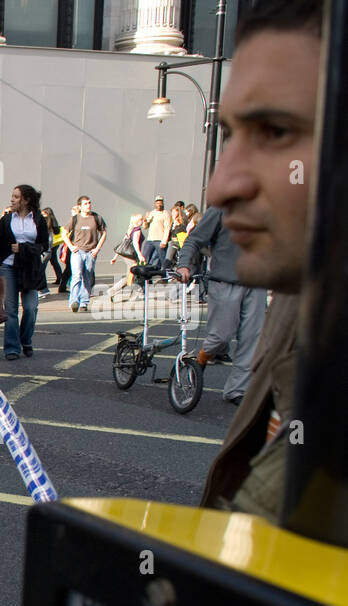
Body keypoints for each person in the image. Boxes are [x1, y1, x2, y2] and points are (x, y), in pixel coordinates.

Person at [196, 0, 321, 522]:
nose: (221, 185)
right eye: (226, 135)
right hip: (229, 280)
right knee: (229, 340)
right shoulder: (302, 294)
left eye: (274, 131)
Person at [179, 204, 268, 404]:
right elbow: (194, 239)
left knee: (252, 340)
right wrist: (184, 264)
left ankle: (237, 390)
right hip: (225, 281)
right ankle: (202, 357)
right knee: (220, 337)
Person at [0, 184, 50, 360]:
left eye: (16, 197)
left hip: (30, 268)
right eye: (12, 196)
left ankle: (25, 339)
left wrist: (24, 248)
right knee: (10, 310)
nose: (12, 199)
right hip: (9, 267)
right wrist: (8, 251)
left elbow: (44, 245)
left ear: (26, 200)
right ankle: (12, 347)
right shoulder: (6, 220)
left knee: (31, 307)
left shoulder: (39, 220)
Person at [62, 196, 106, 312]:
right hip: (78, 251)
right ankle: (74, 301)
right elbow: (64, 233)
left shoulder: (96, 218)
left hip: (91, 252)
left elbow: (104, 233)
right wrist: (71, 246)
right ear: (80, 206)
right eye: (86, 203)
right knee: (77, 275)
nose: (88, 205)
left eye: (89, 203)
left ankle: (84, 303)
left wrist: (97, 249)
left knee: (87, 276)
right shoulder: (75, 219)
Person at [141, 195, 171, 273]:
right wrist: (145, 221)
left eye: (160, 202)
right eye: (157, 202)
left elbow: (167, 228)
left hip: (159, 240)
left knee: (162, 258)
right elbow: (145, 227)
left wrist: (164, 241)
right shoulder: (152, 213)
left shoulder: (165, 214)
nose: (159, 204)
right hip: (150, 239)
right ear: (155, 203)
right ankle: (144, 275)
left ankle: (165, 275)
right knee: (145, 257)